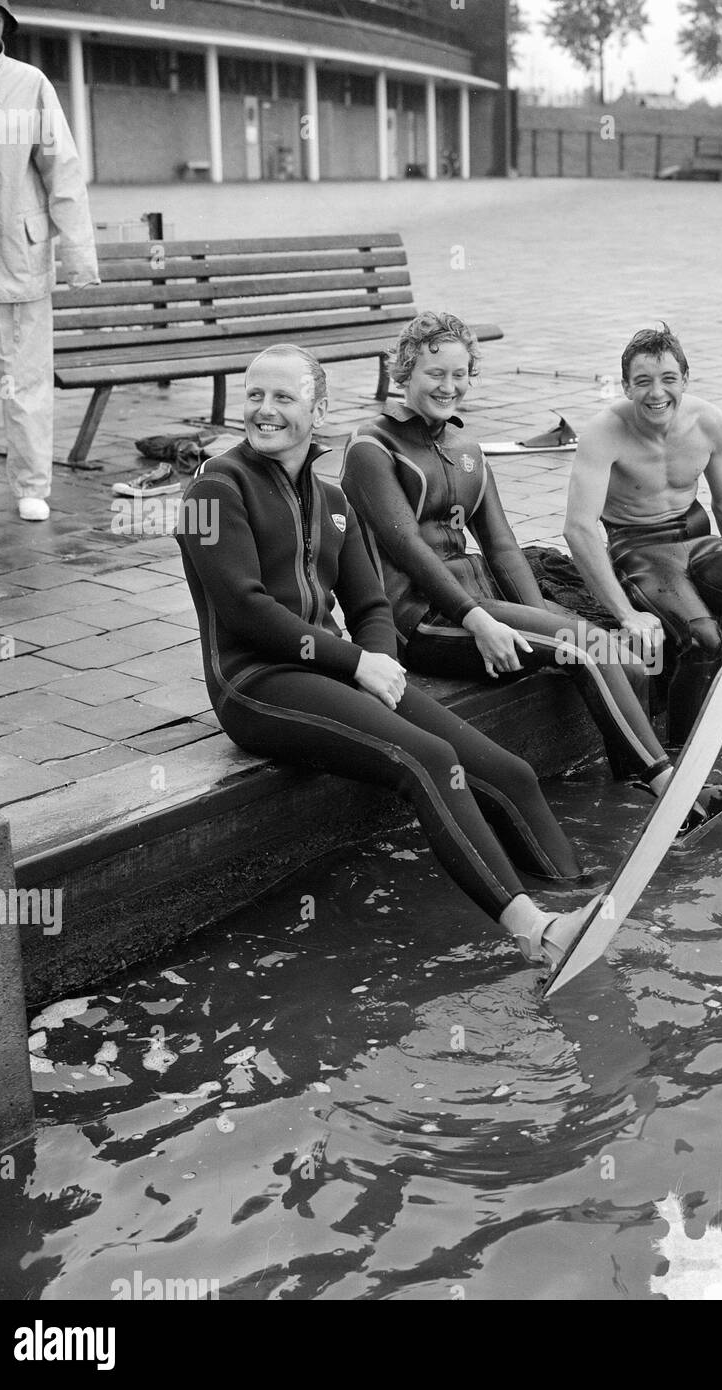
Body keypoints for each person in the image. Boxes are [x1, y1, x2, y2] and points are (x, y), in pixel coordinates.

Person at [176, 344, 609, 975]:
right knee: (429, 760)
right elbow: (246, 611)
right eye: (254, 396)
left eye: (283, 397)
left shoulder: (331, 500)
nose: (264, 411)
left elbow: (372, 605)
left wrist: (380, 663)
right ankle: (535, 932)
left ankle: (577, 901)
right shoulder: (214, 490)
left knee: (507, 770)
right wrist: (356, 665)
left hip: (336, 669)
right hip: (257, 683)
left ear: (318, 408)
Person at [340, 311, 676, 801]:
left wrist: (541, 624)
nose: (448, 386)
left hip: (483, 608)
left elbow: (501, 547)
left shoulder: (466, 446)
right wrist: (479, 620)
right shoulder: (372, 447)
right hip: (423, 621)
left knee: (617, 657)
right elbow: (407, 548)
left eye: (460, 375)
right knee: (584, 646)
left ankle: (631, 789)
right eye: (435, 374)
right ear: (406, 372)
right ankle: (670, 789)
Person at [564, 323, 722, 751]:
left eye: (668, 379)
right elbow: (579, 528)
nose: (656, 393)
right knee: (704, 639)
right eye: (642, 381)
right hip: (639, 550)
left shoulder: (708, 422)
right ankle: (682, 759)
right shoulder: (603, 433)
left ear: (686, 379)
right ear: (626, 386)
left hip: (698, 541)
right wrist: (626, 614)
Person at [0, 3, 99, 522]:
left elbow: (60, 168)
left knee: (26, 379)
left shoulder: (30, 82)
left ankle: (31, 484)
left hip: (18, 252)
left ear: (6, 27)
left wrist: (79, 254)